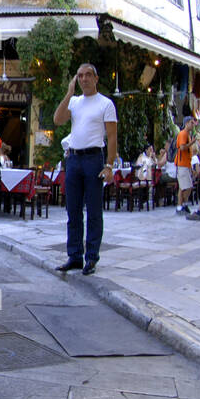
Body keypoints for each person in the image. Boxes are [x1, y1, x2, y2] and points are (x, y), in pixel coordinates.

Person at [52, 63, 117, 275]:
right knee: (73, 210)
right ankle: (75, 255)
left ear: (96, 78)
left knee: (94, 211)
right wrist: (69, 93)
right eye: (80, 76)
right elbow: (58, 119)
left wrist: (109, 165)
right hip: (74, 157)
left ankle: (91, 257)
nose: (84, 79)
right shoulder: (75, 102)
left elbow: (112, 136)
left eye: (88, 75)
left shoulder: (105, 104)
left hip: (93, 158)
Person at [173, 116, 196, 213]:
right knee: (187, 186)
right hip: (182, 164)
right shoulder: (183, 134)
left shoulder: (188, 134)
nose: (193, 125)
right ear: (186, 123)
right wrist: (192, 143)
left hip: (186, 164)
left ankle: (181, 206)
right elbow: (182, 147)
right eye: (191, 122)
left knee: (183, 187)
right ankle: (182, 205)